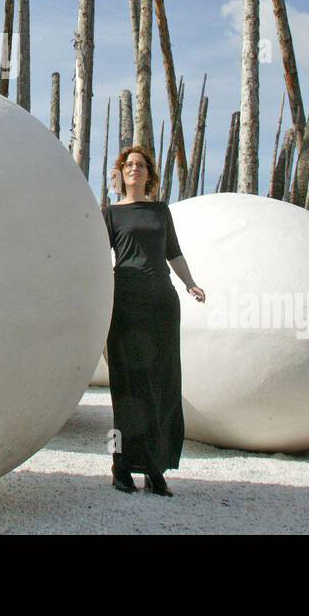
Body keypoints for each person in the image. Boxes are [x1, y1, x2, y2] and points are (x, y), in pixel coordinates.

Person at [102, 145, 205, 496]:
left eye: (141, 165)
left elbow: (172, 251)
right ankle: (121, 469)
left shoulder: (161, 212)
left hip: (161, 302)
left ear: (149, 174)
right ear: (121, 172)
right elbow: (100, 258)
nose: (135, 169)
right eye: (129, 165)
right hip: (125, 304)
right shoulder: (111, 214)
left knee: (161, 386)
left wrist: (190, 283)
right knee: (127, 388)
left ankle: (155, 470)